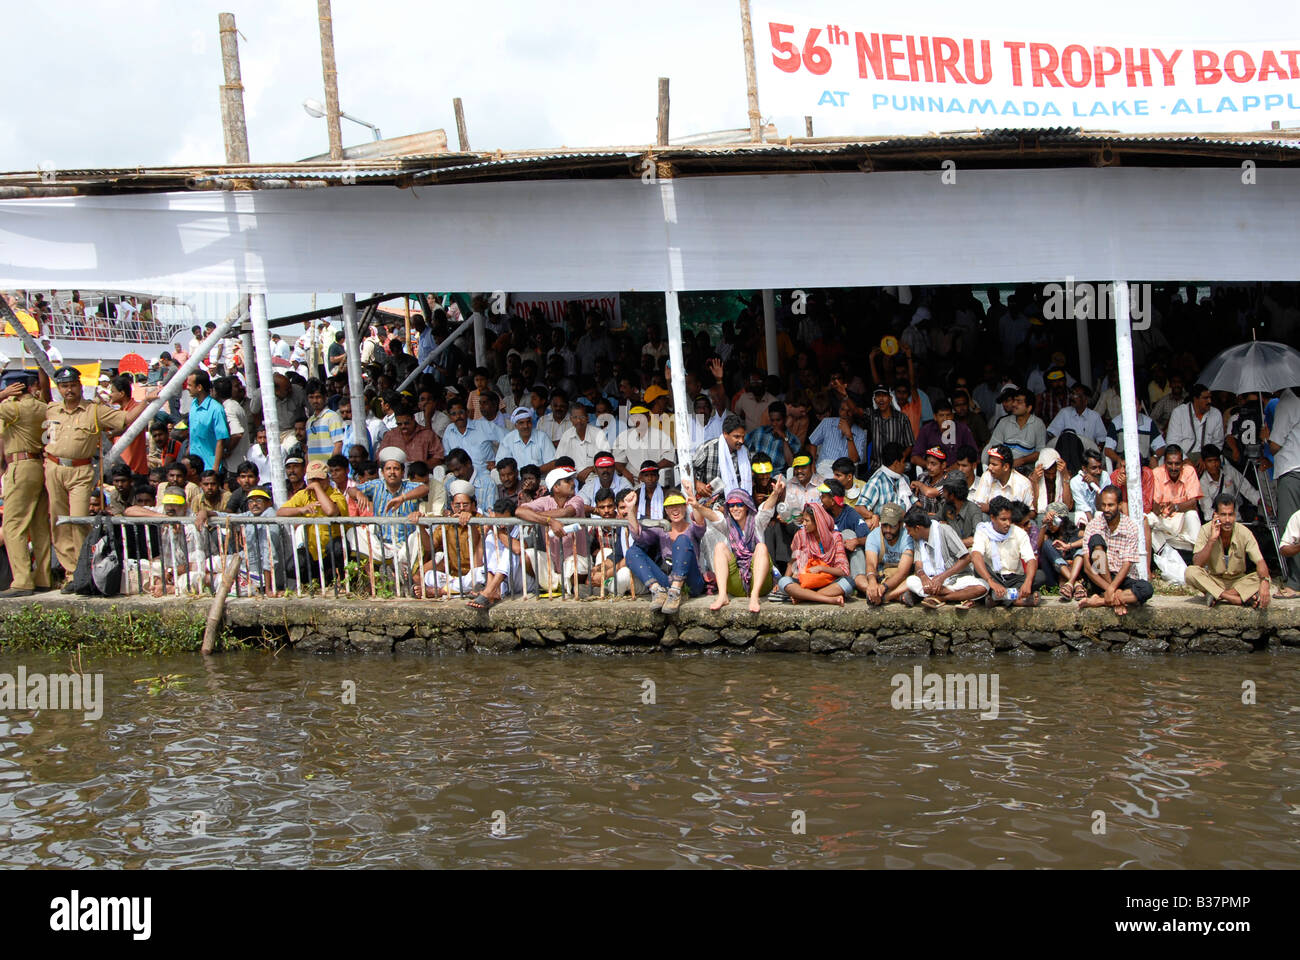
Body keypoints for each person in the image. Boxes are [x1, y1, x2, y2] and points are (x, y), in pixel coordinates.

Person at [45, 366, 157, 578]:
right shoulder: (52, 410)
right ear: (59, 388)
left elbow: (125, 419)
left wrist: (146, 401)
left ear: (80, 386)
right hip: (53, 467)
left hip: (80, 470)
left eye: (72, 386)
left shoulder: (94, 410)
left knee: (79, 520)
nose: (69, 390)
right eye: (64, 386)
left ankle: (82, 570)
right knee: (58, 521)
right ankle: (70, 571)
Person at [0, 374, 51, 596]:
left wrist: (3, 395)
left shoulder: (14, 408)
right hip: (39, 465)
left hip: (19, 467)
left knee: (13, 525)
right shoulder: (41, 407)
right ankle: (43, 578)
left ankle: (22, 580)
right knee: (39, 525)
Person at [694, 484, 778, 613]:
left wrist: (775, 493)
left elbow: (767, 507)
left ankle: (754, 597)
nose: (735, 509)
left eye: (739, 505)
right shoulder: (727, 525)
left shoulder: (757, 522)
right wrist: (696, 505)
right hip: (737, 581)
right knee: (720, 547)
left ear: (746, 506)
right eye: (731, 505)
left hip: (760, 583)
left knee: (761, 547)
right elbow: (711, 515)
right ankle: (723, 596)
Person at [1078, 486, 1154, 616]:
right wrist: (1112, 589)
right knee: (1096, 540)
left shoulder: (1130, 527)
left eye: (1111, 505)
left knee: (1146, 589)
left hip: (1123, 577)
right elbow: (1087, 567)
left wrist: (1113, 589)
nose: (1106, 509)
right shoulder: (1093, 525)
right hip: (1100, 578)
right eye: (1104, 505)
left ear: (1119, 505)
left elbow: (1126, 565)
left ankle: (1100, 601)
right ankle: (1115, 597)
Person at [1185, 494, 1271, 608]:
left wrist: (1264, 582)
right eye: (1223, 515)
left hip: (1237, 582)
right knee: (1190, 572)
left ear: (1235, 515)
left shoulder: (1244, 532)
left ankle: (1219, 596)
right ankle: (1236, 599)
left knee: (1265, 577)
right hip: (1214, 580)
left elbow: (1260, 561)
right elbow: (1197, 563)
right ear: (1215, 515)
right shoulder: (1206, 530)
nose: (1227, 520)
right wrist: (1212, 540)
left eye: (1230, 515)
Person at [515, 466, 590, 596]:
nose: (572, 483)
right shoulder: (545, 501)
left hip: (575, 561)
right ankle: (551, 585)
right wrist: (549, 521)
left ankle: (571, 587)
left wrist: (537, 516)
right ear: (556, 487)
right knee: (526, 555)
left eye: (571, 479)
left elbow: (566, 512)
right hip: (553, 565)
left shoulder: (577, 500)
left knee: (576, 563)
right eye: (568, 480)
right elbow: (519, 511)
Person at [624, 490, 703, 614]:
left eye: (678, 505)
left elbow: (700, 523)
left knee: (682, 540)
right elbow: (637, 535)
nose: (675, 510)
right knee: (632, 552)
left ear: (685, 506)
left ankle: (676, 591)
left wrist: (695, 503)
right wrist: (630, 508)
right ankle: (656, 591)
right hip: (668, 582)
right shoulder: (662, 530)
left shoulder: (692, 529)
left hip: (691, 582)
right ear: (666, 510)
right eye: (670, 507)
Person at [768, 500, 853, 606]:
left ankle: (805, 597)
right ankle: (827, 599)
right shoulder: (800, 536)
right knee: (784, 582)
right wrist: (782, 580)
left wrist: (822, 568)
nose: (803, 524)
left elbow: (843, 571)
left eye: (807, 521)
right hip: (806, 581)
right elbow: (792, 562)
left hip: (828, 582)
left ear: (817, 522)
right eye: (803, 520)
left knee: (848, 583)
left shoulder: (835, 538)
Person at [901, 505, 988, 608]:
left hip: (955, 579)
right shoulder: (917, 538)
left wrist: (941, 577)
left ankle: (942, 598)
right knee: (911, 581)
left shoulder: (945, 530)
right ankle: (954, 595)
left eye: (909, 530)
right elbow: (918, 563)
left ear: (917, 528)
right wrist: (923, 576)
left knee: (983, 587)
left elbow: (966, 558)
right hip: (932, 581)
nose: (908, 533)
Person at [277, 461, 347, 585]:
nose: (315, 483)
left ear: (327, 479)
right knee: (292, 566)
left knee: (336, 548)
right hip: (313, 552)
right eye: (312, 480)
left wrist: (316, 488)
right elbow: (280, 512)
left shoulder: (336, 495)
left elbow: (330, 511)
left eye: (319, 479)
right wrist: (300, 509)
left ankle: (343, 584)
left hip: (333, 551)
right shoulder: (303, 495)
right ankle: (310, 587)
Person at [970, 495, 1040, 607]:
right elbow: (975, 556)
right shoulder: (983, 531)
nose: (1008, 523)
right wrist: (991, 581)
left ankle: (998, 598)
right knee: (979, 571)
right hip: (994, 577)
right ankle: (1017, 600)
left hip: (1014, 578)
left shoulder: (1019, 533)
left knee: (1039, 576)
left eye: (1009, 519)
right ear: (992, 518)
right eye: (1003, 519)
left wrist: (1028, 582)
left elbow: (1031, 559)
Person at [1146, 444, 1202, 555]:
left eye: (1177, 464)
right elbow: (1155, 507)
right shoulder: (1157, 473)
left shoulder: (1189, 471)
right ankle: (1162, 557)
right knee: (1148, 519)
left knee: (1192, 514)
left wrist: (1176, 507)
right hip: (1164, 520)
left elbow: (1193, 502)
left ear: (1182, 463)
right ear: (1164, 463)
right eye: (1169, 463)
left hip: (1181, 519)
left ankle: (1199, 556)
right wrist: (1158, 507)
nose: (1173, 467)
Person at [858, 502, 914, 605]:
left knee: (913, 580)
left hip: (900, 578)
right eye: (884, 526)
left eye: (892, 526)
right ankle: (895, 596)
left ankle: (886, 597)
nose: (888, 530)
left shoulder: (907, 537)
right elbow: (871, 564)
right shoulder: (873, 536)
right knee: (859, 580)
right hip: (882, 576)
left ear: (900, 524)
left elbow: (903, 573)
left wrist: (884, 587)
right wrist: (872, 582)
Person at [983, 388, 1046, 470]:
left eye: (1019, 402)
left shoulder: (1038, 424)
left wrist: (1022, 461)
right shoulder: (1004, 422)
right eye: (1014, 401)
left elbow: (1040, 452)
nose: (1014, 404)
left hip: (1027, 470)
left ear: (1029, 408)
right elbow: (993, 447)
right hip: (1003, 468)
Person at [805, 394, 866, 478]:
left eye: (849, 411)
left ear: (854, 412)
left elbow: (854, 460)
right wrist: (812, 464)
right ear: (838, 410)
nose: (845, 413)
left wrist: (849, 435)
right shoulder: (827, 422)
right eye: (842, 409)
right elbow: (813, 443)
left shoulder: (861, 433)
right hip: (822, 470)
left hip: (843, 474)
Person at [691, 414, 751, 499]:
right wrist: (696, 483)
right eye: (737, 437)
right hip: (708, 502)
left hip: (735, 504)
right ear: (725, 434)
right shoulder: (708, 448)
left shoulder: (745, 452)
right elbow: (686, 470)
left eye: (743, 437)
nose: (741, 441)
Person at [1196, 443, 1260, 522]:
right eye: (1210, 461)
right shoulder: (1202, 482)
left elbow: (1247, 489)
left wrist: (1260, 502)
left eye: (1216, 460)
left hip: (1236, 519)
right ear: (1204, 463)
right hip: (1216, 523)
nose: (1214, 464)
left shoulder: (1229, 471)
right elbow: (1207, 509)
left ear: (1220, 460)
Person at [1165, 382, 1224, 466]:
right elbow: (1172, 442)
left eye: (1210, 397)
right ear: (1195, 399)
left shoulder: (1216, 413)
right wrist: (1185, 460)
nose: (1209, 401)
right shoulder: (1179, 412)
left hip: (1208, 458)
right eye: (1205, 398)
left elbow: (1218, 443)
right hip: (1183, 457)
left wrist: (1206, 458)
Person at [1038, 500, 1086, 599]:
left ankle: (1070, 583)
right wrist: (1043, 524)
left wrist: (1069, 546)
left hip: (1075, 573)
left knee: (1081, 549)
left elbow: (1090, 539)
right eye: (1048, 521)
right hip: (1054, 579)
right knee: (1046, 544)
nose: (1050, 524)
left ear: (1062, 520)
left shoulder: (1077, 533)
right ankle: (1075, 583)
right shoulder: (1047, 535)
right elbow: (1038, 548)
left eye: (1053, 520)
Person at [183, 369, 229, 472]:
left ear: (199, 387)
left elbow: (221, 440)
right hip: (193, 466)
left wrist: (215, 468)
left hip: (209, 466)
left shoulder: (216, 409)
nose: (187, 388)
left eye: (190, 385)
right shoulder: (193, 405)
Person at [971, 444, 1034, 514]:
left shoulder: (1023, 483)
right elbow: (979, 506)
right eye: (989, 463)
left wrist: (991, 508)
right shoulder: (987, 476)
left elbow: (1031, 513)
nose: (989, 467)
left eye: (994, 464)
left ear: (1006, 467)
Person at [861, 441, 915, 521]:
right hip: (885, 527)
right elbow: (860, 508)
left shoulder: (905, 478)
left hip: (906, 524)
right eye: (903, 461)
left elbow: (913, 501)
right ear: (896, 463)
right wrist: (873, 516)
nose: (905, 465)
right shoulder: (877, 481)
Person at [745, 401, 799, 475]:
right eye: (772, 420)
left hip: (776, 478)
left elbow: (791, 463)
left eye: (778, 420)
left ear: (785, 419)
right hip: (757, 475)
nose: (774, 424)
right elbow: (742, 444)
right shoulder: (760, 432)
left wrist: (784, 439)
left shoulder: (793, 440)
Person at [304, 380, 345, 466]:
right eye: (311, 397)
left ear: (325, 397)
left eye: (318, 397)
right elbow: (309, 449)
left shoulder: (332, 417)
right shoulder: (309, 422)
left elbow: (338, 444)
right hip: (313, 472)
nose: (315, 401)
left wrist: (332, 468)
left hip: (327, 471)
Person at [939, 471, 983, 547]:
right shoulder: (947, 506)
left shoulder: (974, 510)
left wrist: (954, 544)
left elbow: (977, 539)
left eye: (945, 491)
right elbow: (935, 519)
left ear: (952, 495)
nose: (943, 495)